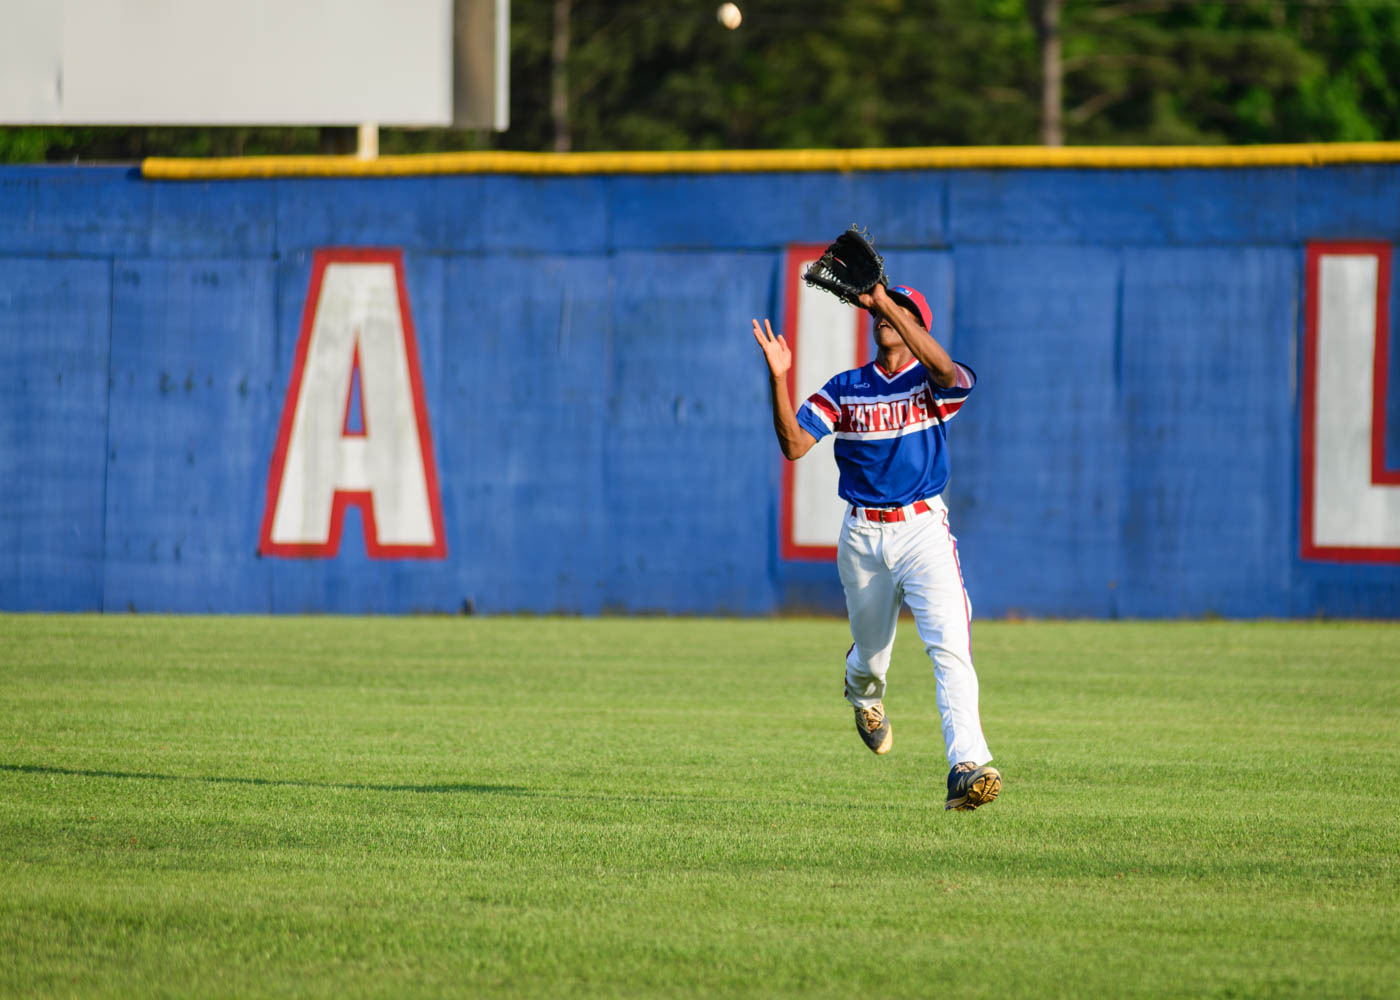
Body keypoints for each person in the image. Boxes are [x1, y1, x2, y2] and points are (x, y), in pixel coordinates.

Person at [751, 281, 1000, 811]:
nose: (887, 316)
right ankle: (864, 696)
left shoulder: (935, 384)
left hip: (923, 530)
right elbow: (795, 445)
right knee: (871, 657)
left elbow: (948, 371)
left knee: (950, 646)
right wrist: (778, 378)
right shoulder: (847, 387)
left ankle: (968, 766)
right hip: (863, 536)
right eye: (886, 309)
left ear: (917, 325)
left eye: (904, 311)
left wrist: (884, 299)